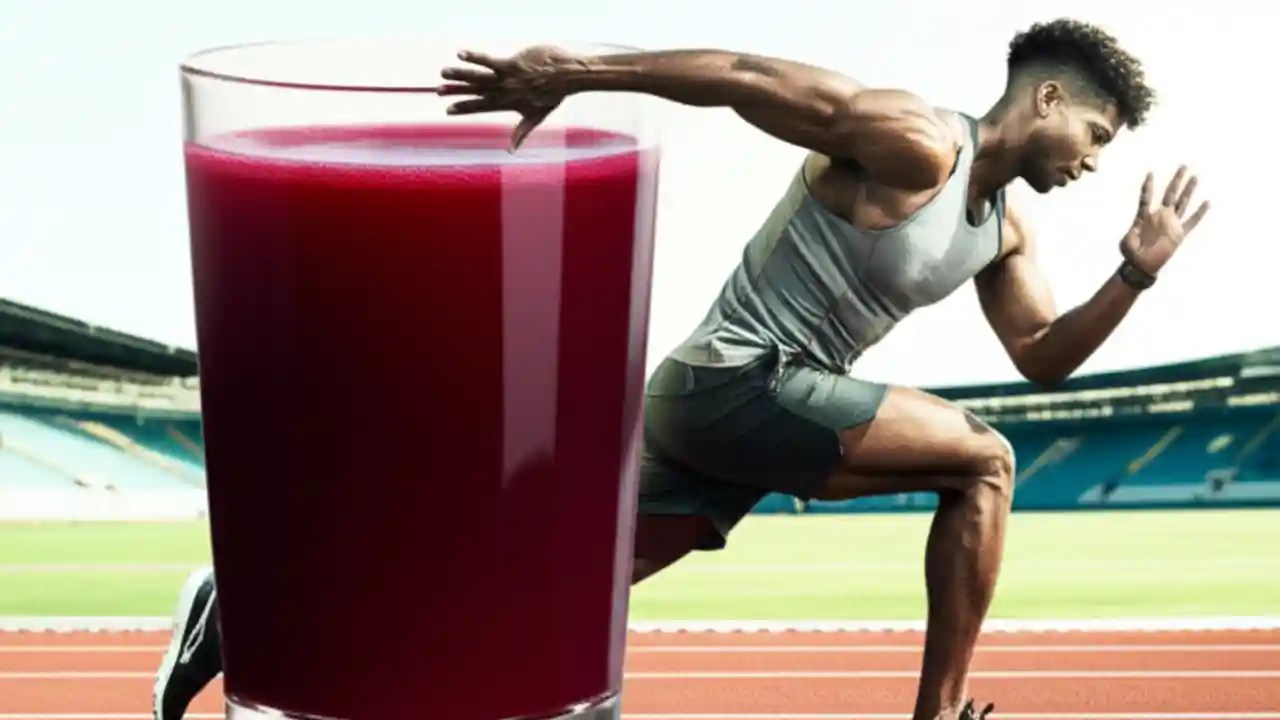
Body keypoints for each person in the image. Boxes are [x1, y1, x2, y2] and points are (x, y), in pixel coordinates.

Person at [154, 18, 1210, 720]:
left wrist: (1132, 276)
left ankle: (235, 609)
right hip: (737, 378)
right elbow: (746, 81)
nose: (1093, 158)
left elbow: (1038, 357)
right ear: (1047, 98)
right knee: (982, 462)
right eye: (1096, 132)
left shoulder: (1002, 234)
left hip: (752, 418)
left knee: (540, 597)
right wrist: (570, 75)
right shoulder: (916, 142)